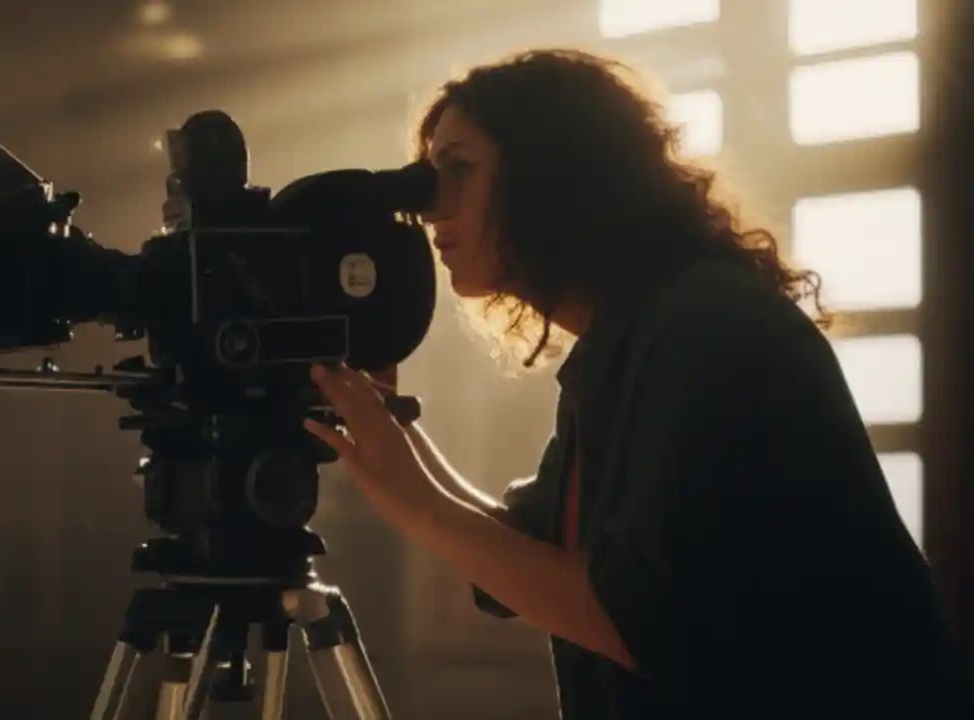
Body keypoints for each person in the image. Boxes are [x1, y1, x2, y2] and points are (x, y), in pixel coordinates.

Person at [302, 49, 967, 719]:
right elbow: (525, 554)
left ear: (554, 175)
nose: (428, 207)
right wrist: (391, 430)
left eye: (459, 169)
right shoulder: (630, 339)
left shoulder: (708, 331)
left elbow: (631, 615)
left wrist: (416, 504)